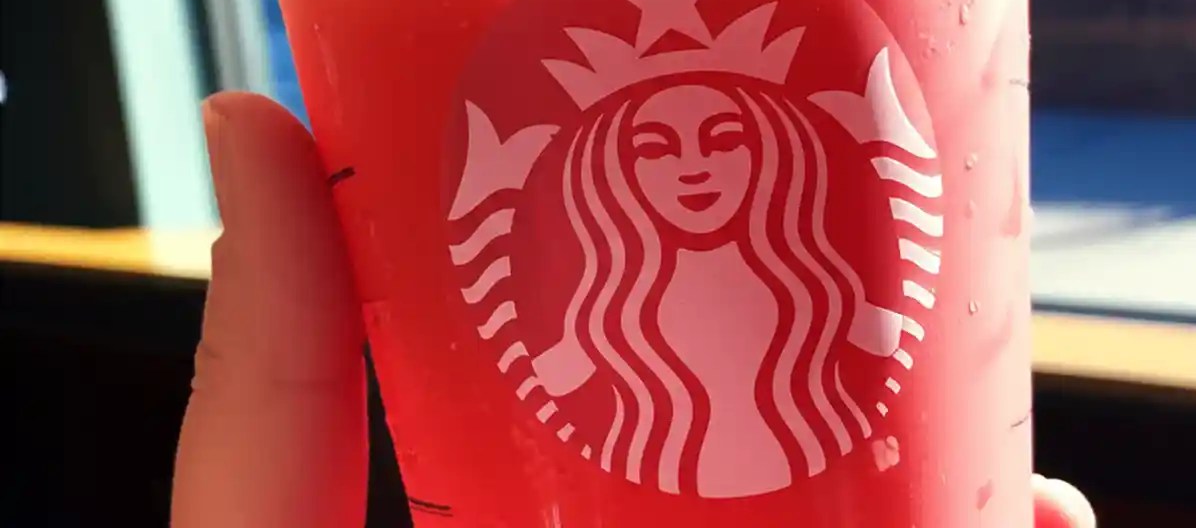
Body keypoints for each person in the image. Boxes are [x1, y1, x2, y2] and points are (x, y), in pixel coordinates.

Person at [170, 91, 1097, 528]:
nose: (694, 167)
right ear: (611, 173)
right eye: (655, 147)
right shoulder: (589, 339)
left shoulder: (833, 309)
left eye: (725, 137)